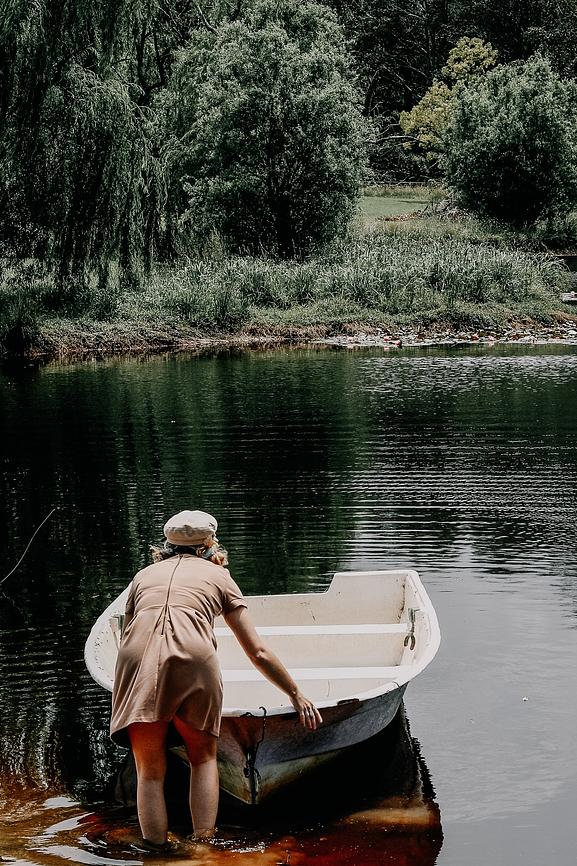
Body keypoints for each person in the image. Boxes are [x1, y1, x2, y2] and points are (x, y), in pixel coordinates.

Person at [110, 509, 322, 852]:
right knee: (203, 757)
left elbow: (129, 630)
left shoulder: (143, 576)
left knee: (149, 771)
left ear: (166, 545)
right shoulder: (220, 577)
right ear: (210, 544)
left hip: (137, 659)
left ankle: (155, 853)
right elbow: (257, 652)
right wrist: (295, 693)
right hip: (194, 659)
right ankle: (203, 846)